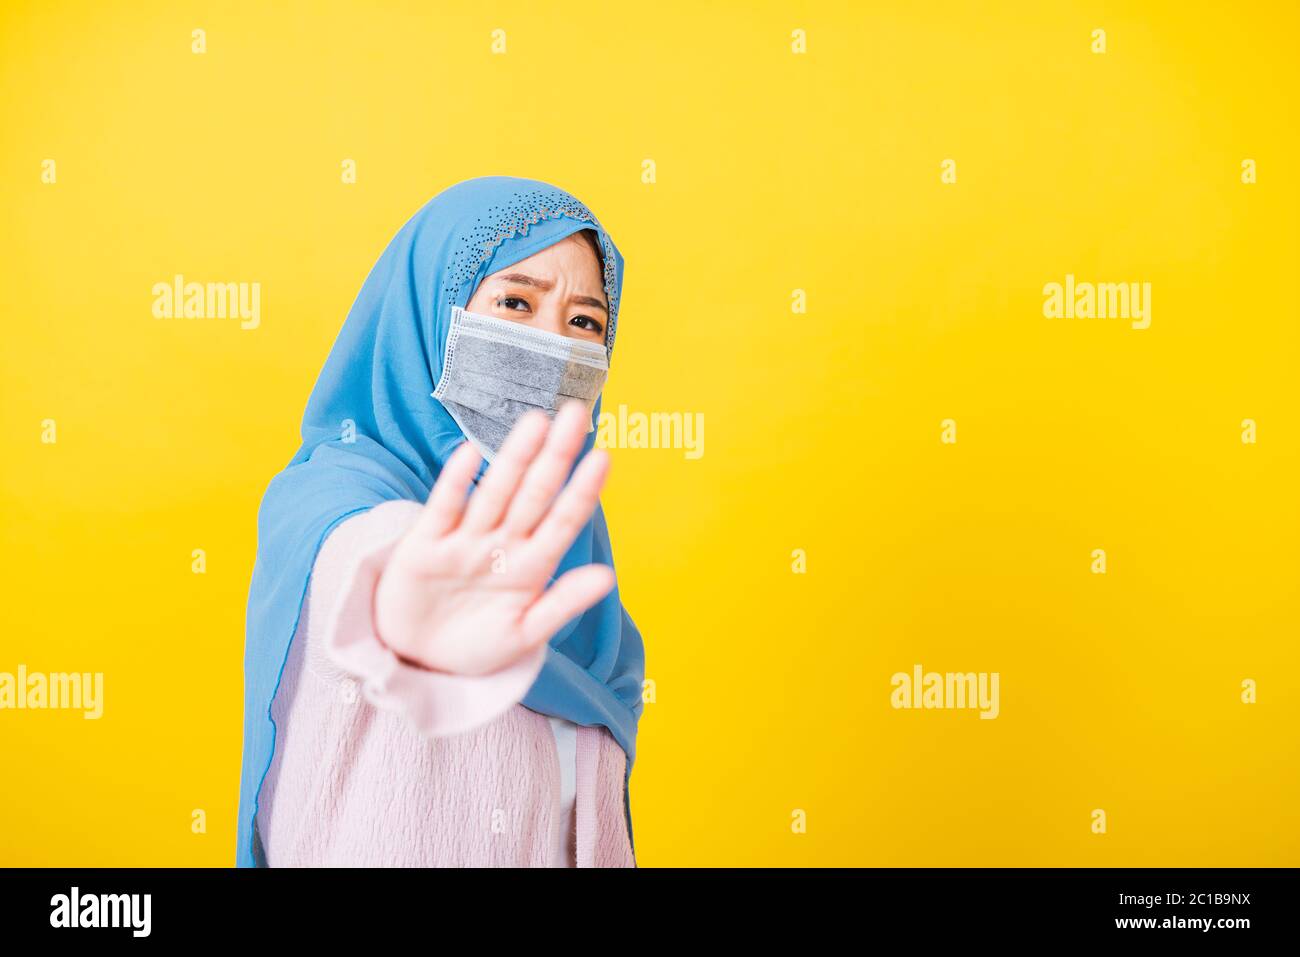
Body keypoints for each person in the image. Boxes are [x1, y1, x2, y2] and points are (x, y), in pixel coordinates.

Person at [234, 175, 646, 867]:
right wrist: (404, 605)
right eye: (516, 301)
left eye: (585, 321)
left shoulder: (573, 546)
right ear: (431, 311)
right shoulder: (331, 499)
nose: (553, 343)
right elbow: (367, 558)